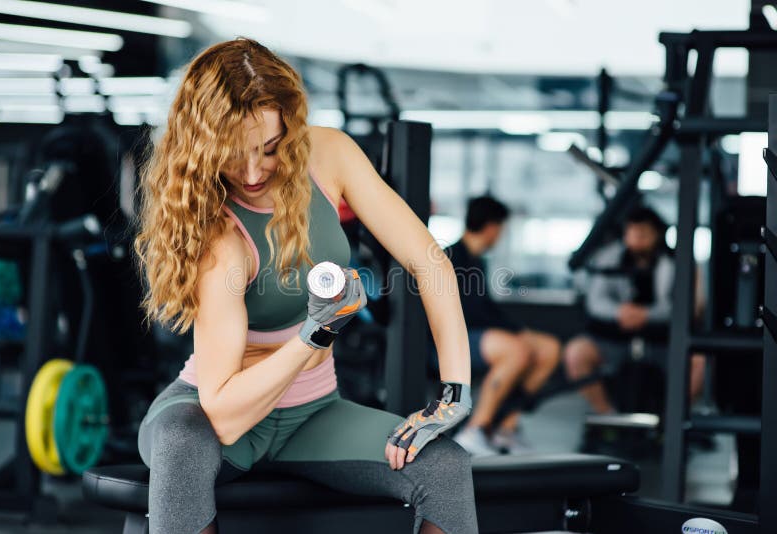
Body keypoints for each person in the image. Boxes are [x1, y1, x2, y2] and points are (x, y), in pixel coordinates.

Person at [133, 38, 478, 534]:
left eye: (269, 149)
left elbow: (428, 260)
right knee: (183, 445)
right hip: (210, 418)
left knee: (445, 466)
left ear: (289, 126)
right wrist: (314, 332)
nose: (252, 173)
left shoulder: (329, 154)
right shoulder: (218, 234)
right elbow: (225, 416)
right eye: (233, 154)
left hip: (314, 415)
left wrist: (454, 391)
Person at [435, 196, 561, 456]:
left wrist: (519, 331)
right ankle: (475, 430)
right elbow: (469, 312)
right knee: (517, 350)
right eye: (502, 228)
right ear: (492, 227)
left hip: (477, 333)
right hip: (449, 340)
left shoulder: (478, 260)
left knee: (549, 348)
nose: (501, 234)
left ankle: (506, 427)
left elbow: (486, 307)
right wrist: (516, 334)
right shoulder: (452, 257)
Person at [563, 206, 705, 414]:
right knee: (576, 353)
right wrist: (619, 312)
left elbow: (690, 306)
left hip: (664, 340)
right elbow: (596, 301)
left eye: (644, 234)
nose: (637, 239)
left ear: (657, 234)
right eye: (632, 233)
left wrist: (647, 315)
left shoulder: (679, 262)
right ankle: (608, 417)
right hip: (613, 338)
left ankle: (671, 422)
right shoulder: (609, 259)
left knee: (700, 360)